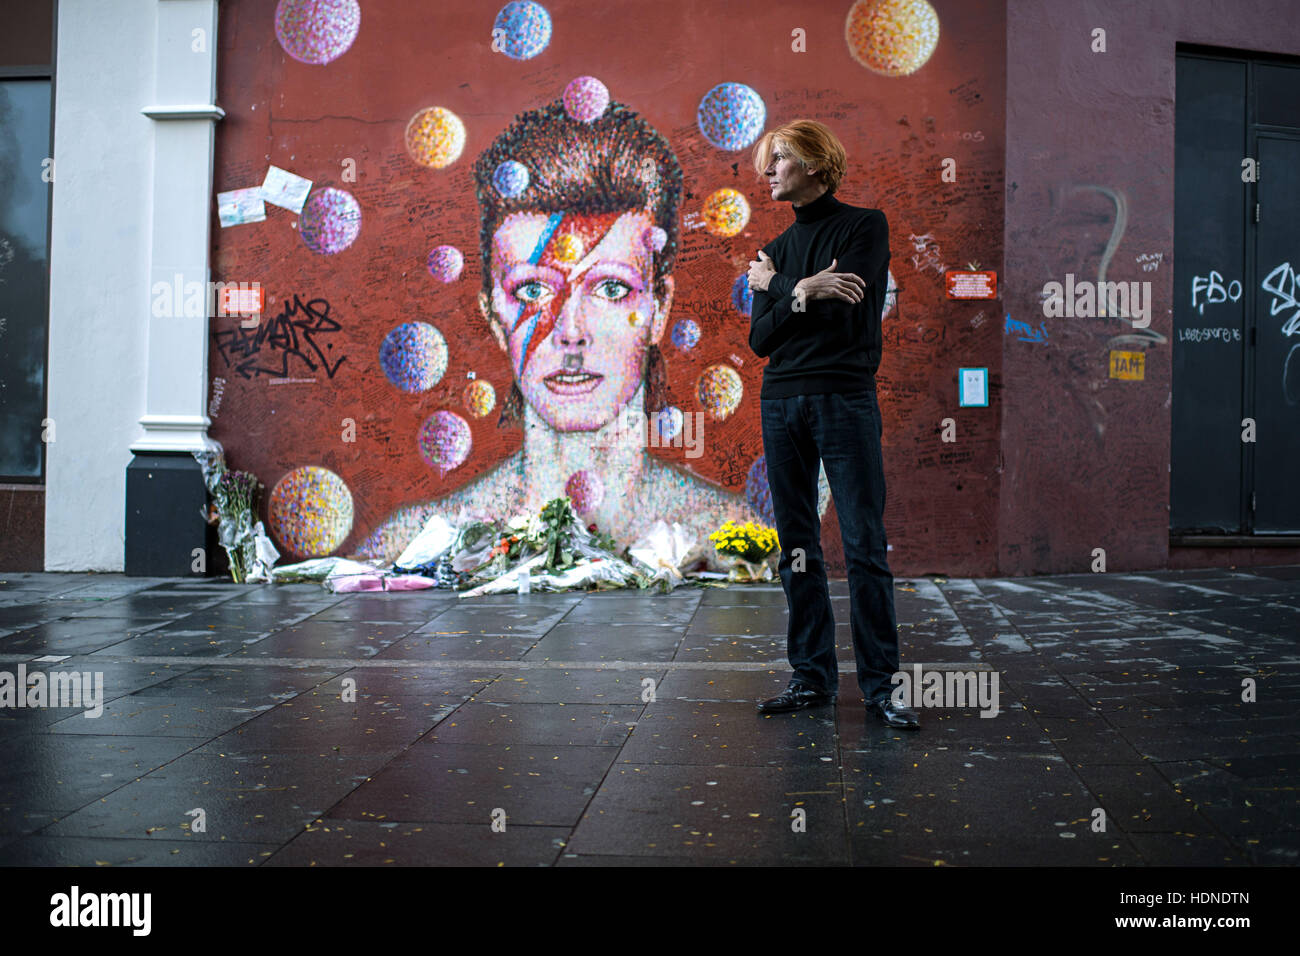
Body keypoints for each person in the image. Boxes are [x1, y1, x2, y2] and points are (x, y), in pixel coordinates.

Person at [352, 97, 833, 567]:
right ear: (493, 313)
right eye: (533, 291)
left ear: (658, 307)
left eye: (610, 287)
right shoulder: (417, 539)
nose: (570, 331)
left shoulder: (727, 536)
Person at [746, 120, 918, 729]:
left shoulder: (864, 227)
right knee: (797, 546)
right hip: (781, 401)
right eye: (767, 162)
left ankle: (882, 689)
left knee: (864, 545)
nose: (767, 172)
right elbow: (760, 340)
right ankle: (810, 678)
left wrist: (784, 291)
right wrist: (802, 291)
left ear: (816, 165)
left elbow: (849, 314)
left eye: (780, 160)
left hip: (845, 399)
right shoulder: (772, 252)